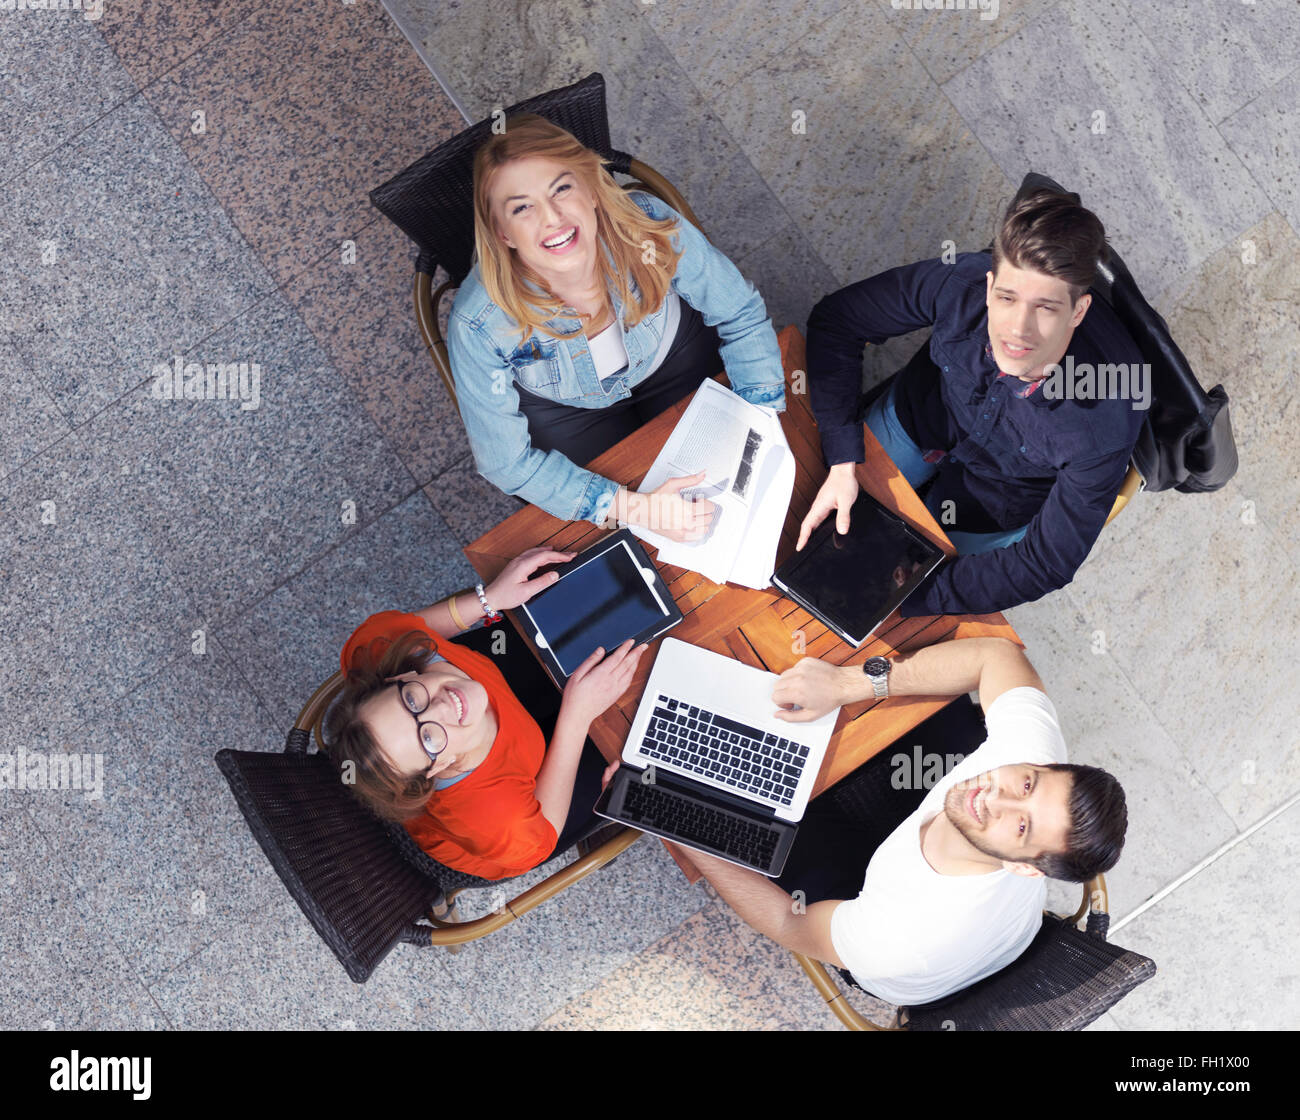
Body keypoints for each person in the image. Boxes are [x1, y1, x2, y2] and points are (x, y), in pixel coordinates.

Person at [686, 637, 1128, 1006]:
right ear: (1045, 765)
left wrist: (678, 829)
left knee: (754, 804)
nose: (997, 798)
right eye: (1028, 785)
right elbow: (997, 656)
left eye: (1021, 828)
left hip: (885, 933)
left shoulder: (892, 940)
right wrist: (843, 684)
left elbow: (788, 921)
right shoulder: (1030, 757)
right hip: (975, 917)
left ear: (1025, 869)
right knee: (937, 712)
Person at [798, 189, 1146, 615]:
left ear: (1078, 311)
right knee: (809, 516)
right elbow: (839, 320)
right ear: (988, 285)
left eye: (1046, 308)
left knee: (894, 601)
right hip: (922, 420)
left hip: (998, 496)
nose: (1017, 329)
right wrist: (841, 457)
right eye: (1007, 298)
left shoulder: (1108, 414)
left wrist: (912, 597)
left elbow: (1045, 563)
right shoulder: (960, 281)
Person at [448, 113, 786, 540]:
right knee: (640, 538)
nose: (551, 218)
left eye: (561, 189)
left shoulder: (643, 226)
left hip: (672, 356)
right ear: (503, 234)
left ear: (590, 190)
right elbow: (506, 462)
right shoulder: (479, 323)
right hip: (570, 412)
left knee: (738, 494)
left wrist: (761, 426)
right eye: (522, 208)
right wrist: (636, 509)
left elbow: (738, 312)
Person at [324, 547, 644, 881]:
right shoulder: (498, 820)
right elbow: (542, 834)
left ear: (400, 677)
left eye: (412, 701)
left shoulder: (379, 645)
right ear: (440, 767)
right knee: (628, 755)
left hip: (502, 709)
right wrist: (577, 717)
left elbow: (417, 627)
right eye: (428, 738)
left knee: (571, 626)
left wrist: (489, 599)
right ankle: (598, 821)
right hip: (519, 819)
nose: (443, 706)